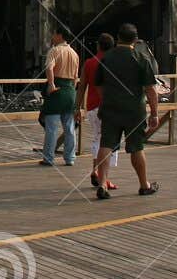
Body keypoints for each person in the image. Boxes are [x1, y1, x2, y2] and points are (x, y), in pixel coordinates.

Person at [93, 22, 160, 200]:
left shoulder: (107, 57)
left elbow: (98, 84)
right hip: (134, 111)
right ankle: (144, 185)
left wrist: (106, 99)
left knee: (106, 144)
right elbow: (150, 89)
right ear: (135, 40)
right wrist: (154, 113)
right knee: (136, 147)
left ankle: (102, 184)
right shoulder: (141, 58)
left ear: (118, 38)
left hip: (110, 108)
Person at [76, 32, 116, 190]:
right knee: (108, 142)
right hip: (110, 106)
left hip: (92, 106)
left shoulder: (89, 63)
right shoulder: (113, 63)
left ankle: (96, 171)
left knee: (97, 139)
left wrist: (77, 107)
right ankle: (103, 177)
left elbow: (81, 87)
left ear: (98, 45)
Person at [40, 27, 79, 166]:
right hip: (70, 91)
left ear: (60, 35)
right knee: (69, 128)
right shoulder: (74, 53)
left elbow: (49, 68)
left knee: (52, 128)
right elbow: (75, 77)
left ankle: (48, 158)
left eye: (54, 34)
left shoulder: (54, 50)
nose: (52, 37)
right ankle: (70, 158)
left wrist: (51, 84)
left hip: (57, 90)